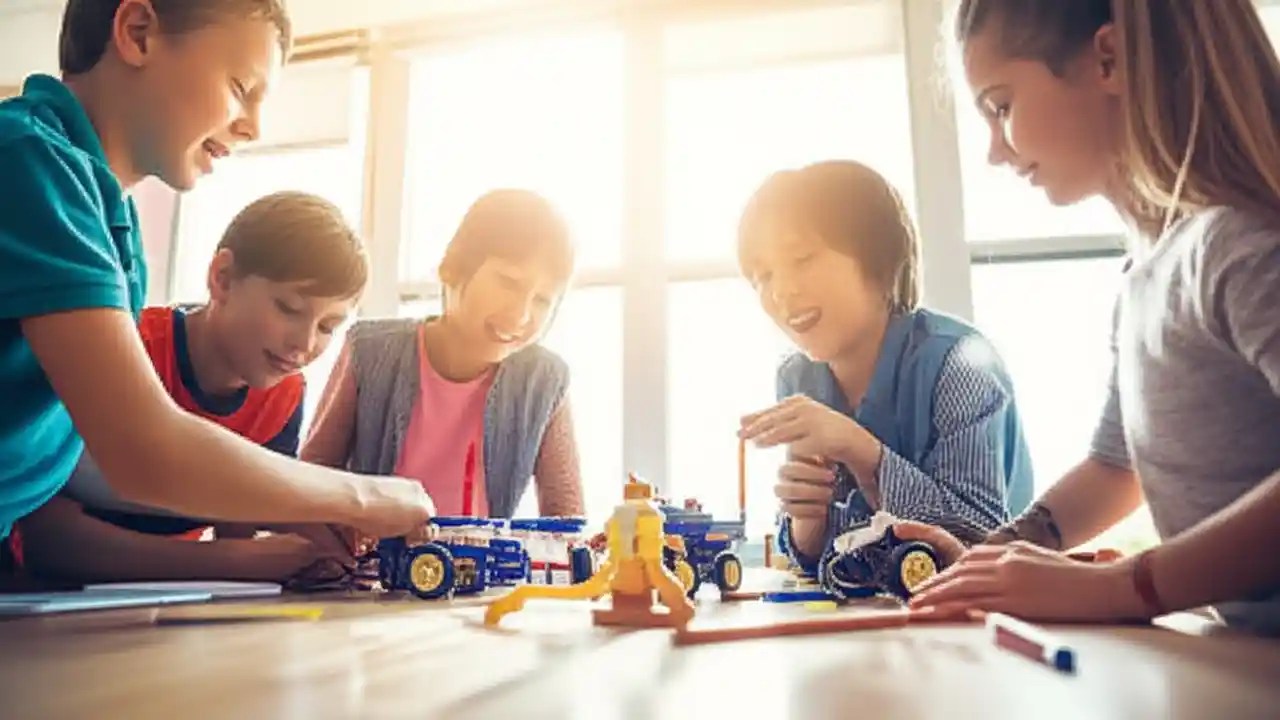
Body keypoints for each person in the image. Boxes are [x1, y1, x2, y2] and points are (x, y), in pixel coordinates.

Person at [901, 0, 1280, 636]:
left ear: (1108, 59)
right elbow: (1115, 467)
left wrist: (1122, 587)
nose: (995, 151)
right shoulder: (1145, 275)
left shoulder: (1237, 248)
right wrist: (991, 558)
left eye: (1001, 106)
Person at [0, 0, 432, 555]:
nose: (253, 126)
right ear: (137, 33)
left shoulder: (109, 214)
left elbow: (82, 469)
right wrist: (363, 495)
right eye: (239, 86)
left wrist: (297, 509)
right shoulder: (29, 159)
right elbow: (142, 452)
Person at [15, 191, 366, 583]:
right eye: (289, 309)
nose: (303, 344)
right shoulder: (120, 351)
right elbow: (47, 541)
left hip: (161, 612)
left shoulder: (283, 397)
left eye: (327, 327)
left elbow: (239, 532)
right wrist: (231, 561)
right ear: (223, 279)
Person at [736, 160, 1033, 577]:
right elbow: (823, 557)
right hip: (866, 621)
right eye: (761, 276)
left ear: (879, 256)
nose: (781, 291)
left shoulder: (960, 362)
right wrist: (808, 524)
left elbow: (977, 540)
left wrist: (860, 450)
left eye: (802, 258)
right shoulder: (797, 378)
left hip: (976, 617)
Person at [302, 189, 585, 525]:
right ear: (454, 269)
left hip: (482, 573)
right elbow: (313, 477)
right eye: (508, 282)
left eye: (541, 299)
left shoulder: (545, 379)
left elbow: (567, 518)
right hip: (370, 570)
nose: (521, 315)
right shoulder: (370, 349)